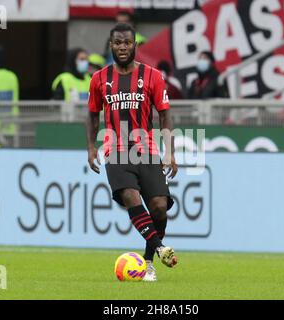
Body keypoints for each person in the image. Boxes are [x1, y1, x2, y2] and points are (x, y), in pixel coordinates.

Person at [87, 23, 178, 282]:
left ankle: (148, 261)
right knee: (130, 196)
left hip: (146, 149)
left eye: (127, 42)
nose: (123, 47)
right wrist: (91, 146)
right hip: (115, 148)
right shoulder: (99, 79)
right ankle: (160, 249)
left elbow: (165, 115)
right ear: (111, 45)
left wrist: (169, 151)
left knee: (159, 207)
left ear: (135, 45)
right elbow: (92, 115)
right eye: (118, 43)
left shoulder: (153, 76)